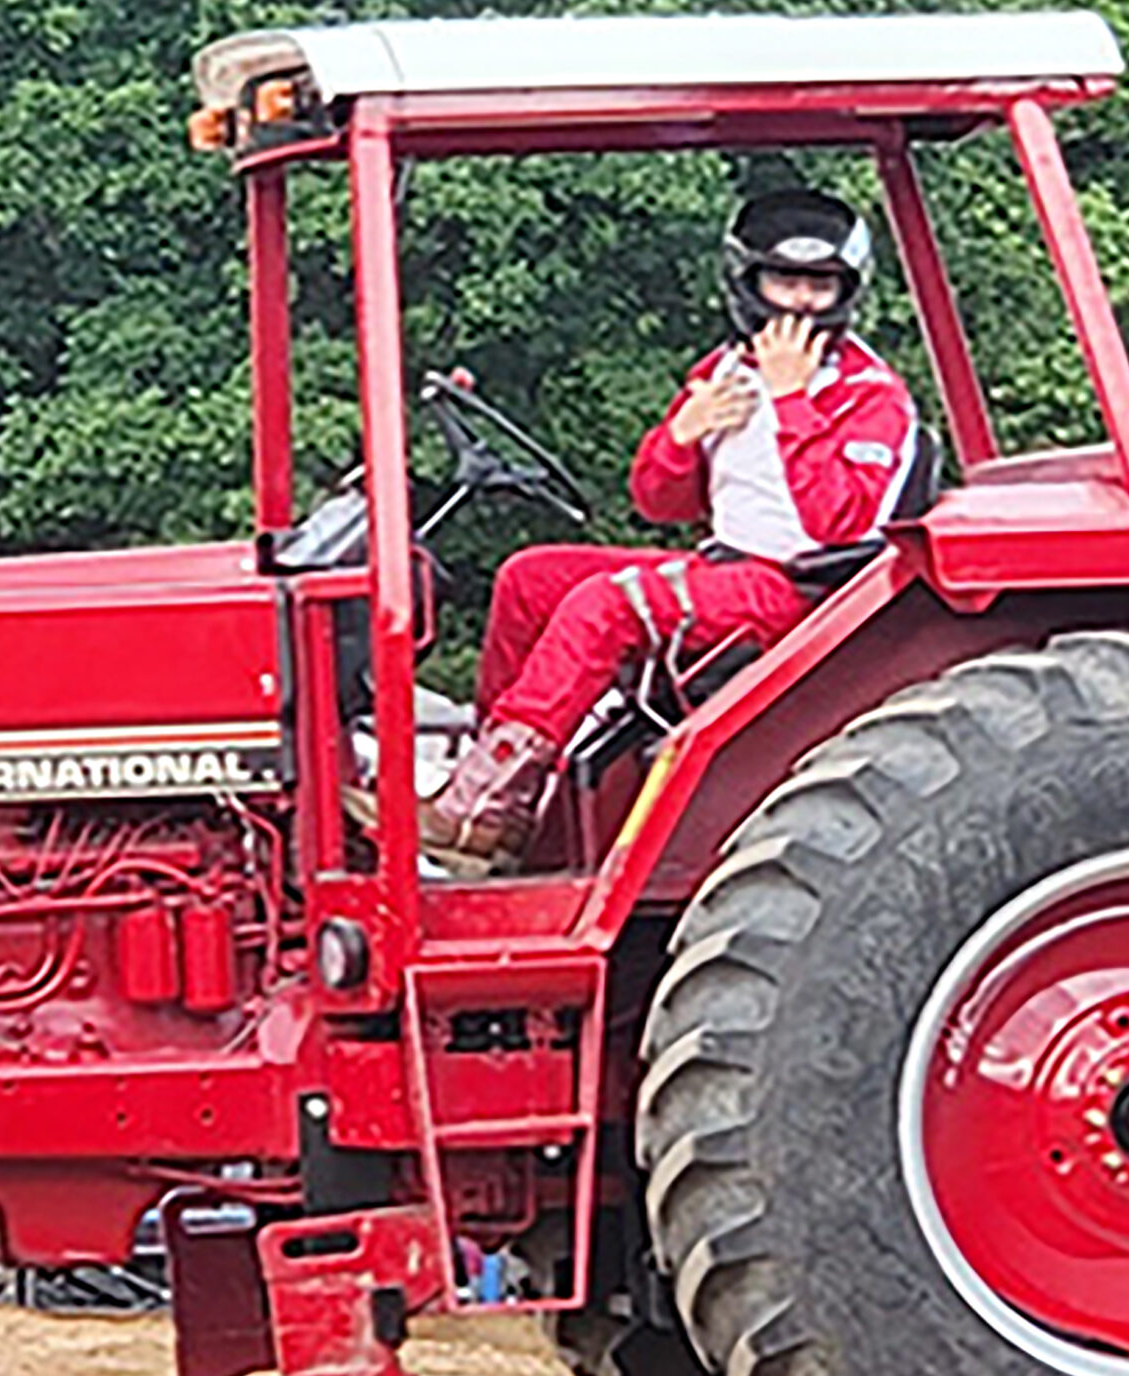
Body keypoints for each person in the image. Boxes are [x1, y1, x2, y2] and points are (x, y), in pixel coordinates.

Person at [386, 188, 919, 874]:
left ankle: (478, 812)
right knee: (531, 579)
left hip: (806, 595)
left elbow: (835, 521)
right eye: (784, 281)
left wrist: (789, 402)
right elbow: (657, 501)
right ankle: (504, 798)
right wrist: (683, 435)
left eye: (819, 286)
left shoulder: (870, 397)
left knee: (608, 604)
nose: (798, 303)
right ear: (747, 282)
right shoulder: (723, 372)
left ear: (847, 291)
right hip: (726, 568)